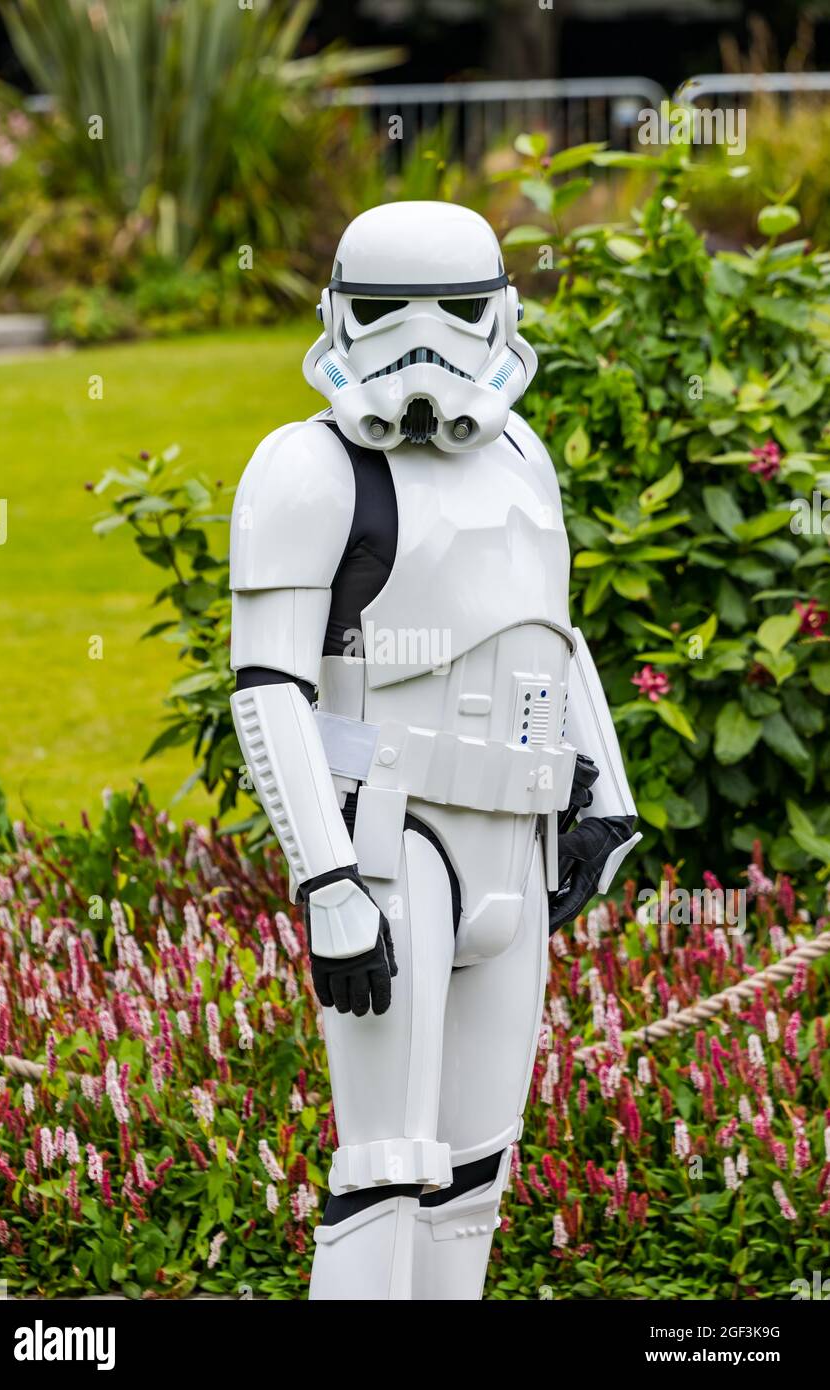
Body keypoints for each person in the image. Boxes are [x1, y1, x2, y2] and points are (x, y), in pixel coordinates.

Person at [229, 201, 640, 1300]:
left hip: (510, 835)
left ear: (497, 313)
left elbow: (549, 633)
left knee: (472, 1165)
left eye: (452, 313)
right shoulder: (305, 468)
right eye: (385, 314)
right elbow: (268, 689)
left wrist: (599, 793)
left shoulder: (519, 452)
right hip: (388, 836)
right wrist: (325, 880)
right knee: (382, 1165)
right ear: (338, 316)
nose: (423, 345)